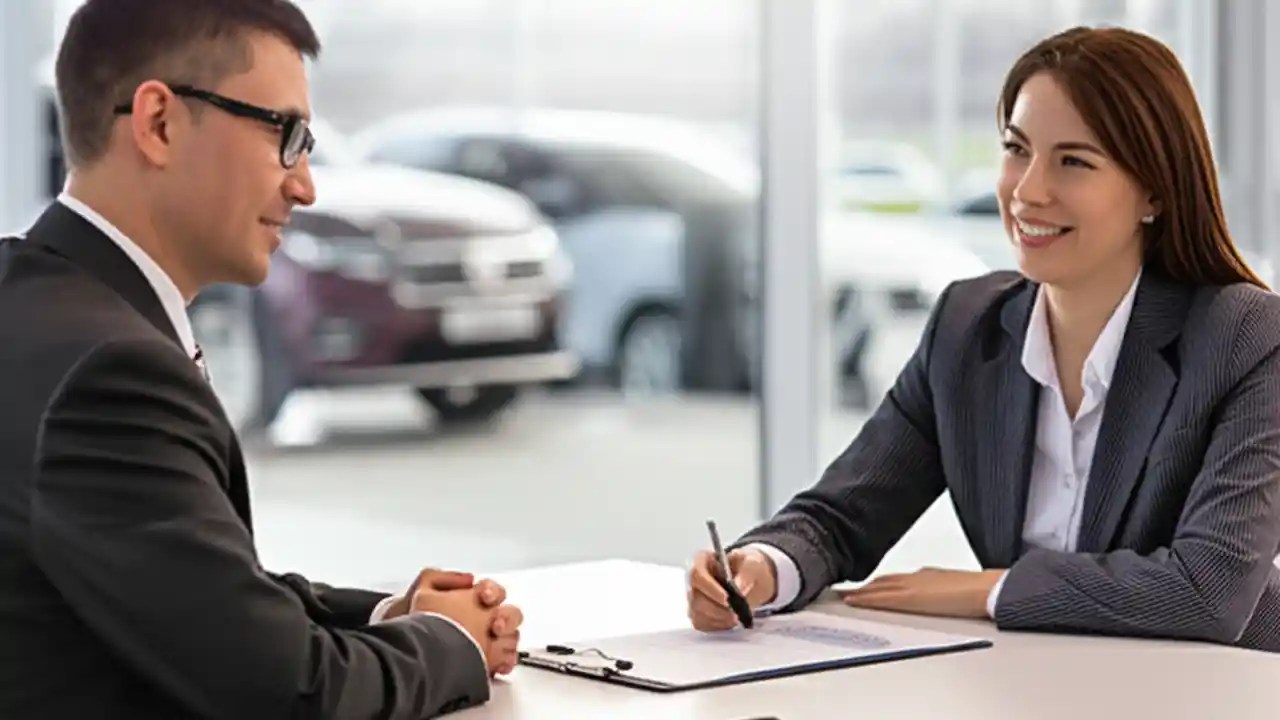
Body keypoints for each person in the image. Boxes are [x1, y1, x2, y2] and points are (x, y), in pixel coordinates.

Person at [0, 1, 523, 717]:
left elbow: (186, 588)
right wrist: (449, 643)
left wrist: (391, 615)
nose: (305, 185)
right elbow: (287, 693)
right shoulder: (111, 374)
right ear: (159, 123)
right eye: (287, 134)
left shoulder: (35, 300)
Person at [688, 26, 1280, 653]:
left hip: (1225, 689)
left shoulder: (1247, 341)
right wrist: (761, 567)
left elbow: (1209, 591)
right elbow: (842, 515)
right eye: (1016, 150)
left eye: (1072, 161)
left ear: (1154, 192)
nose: (1027, 191)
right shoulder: (966, 328)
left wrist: (989, 592)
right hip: (1033, 685)